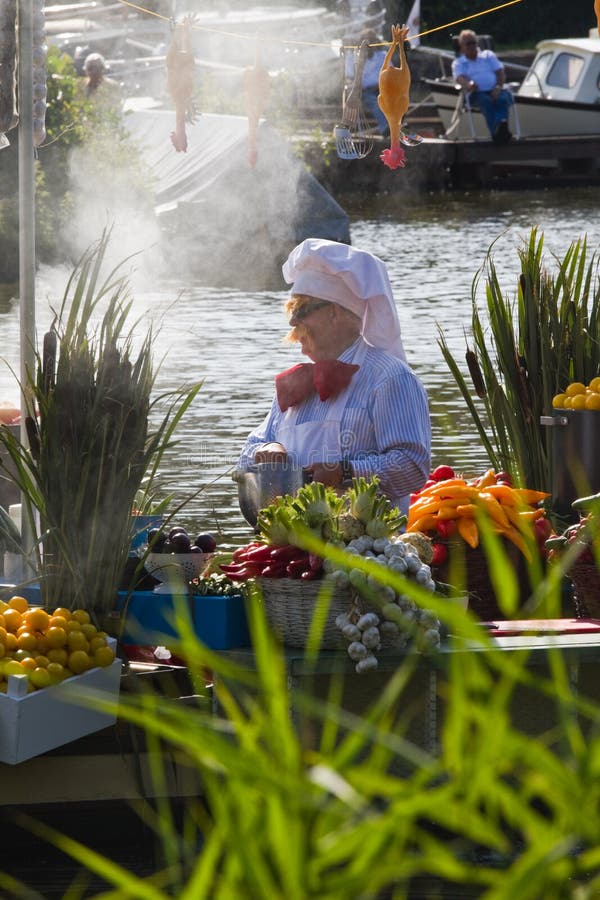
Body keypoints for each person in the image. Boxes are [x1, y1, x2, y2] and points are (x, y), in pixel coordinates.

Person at [237, 239, 431, 515]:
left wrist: (345, 472)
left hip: (368, 550)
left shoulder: (391, 378)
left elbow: (412, 467)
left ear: (335, 312)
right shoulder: (295, 386)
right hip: (294, 547)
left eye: (301, 311)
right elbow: (246, 455)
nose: (292, 323)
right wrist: (266, 448)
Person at [452, 29, 512, 144]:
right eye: (467, 43)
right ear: (462, 46)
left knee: (503, 99)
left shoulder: (488, 55)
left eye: (473, 42)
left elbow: (500, 72)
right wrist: (469, 84)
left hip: (496, 89)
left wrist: (498, 87)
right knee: (486, 101)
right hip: (476, 93)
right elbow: (459, 78)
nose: (471, 46)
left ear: (477, 43)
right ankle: (497, 131)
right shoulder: (459, 62)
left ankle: (500, 128)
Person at [344, 29, 389, 136]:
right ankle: (386, 129)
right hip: (364, 92)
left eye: (371, 41)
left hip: (384, 89)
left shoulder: (383, 56)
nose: (368, 45)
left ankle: (398, 127)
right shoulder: (352, 58)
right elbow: (348, 78)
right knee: (376, 102)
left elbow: (391, 75)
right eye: (365, 42)